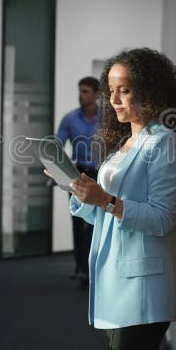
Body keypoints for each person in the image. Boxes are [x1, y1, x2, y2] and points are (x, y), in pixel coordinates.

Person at [64, 48, 176, 350]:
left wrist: (105, 199)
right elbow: (107, 213)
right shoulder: (126, 141)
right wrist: (82, 192)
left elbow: (163, 219)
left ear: (150, 91)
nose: (114, 100)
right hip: (115, 278)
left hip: (142, 287)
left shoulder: (164, 142)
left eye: (125, 91)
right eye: (111, 91)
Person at [55, 76, 101, 286]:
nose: (81, 95)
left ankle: (92, 267)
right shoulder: (70, 119)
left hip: (99, 174)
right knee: (78, 221)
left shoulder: (108, 119)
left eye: (86, 91)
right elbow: (57, 148)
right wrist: (60, 173)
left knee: (94, 223)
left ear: (97, 94)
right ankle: (80, 267)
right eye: (80, 91)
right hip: (78, 173)